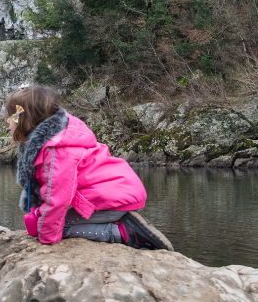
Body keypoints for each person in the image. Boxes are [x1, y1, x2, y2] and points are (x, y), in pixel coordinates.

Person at [9, 84, 173, 250]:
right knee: (48, 221)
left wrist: (46, 236)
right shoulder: (55, 140)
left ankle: (124, 231)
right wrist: (38, 216)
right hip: (115, 193)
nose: (9, 121)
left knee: (60, 227)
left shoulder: (57, 151)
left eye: (12, 117)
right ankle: (122, 222)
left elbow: (57, 199)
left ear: (27, 122)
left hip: (113, 199)